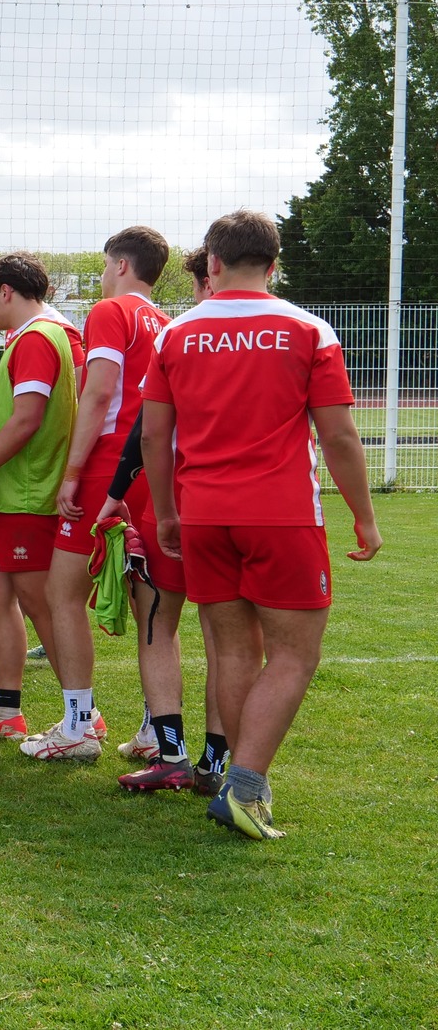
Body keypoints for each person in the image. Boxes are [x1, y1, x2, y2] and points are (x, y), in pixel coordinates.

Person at [141, 210, 380, 839]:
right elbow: (338, 435)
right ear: (275, 266)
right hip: (282, 515)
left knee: (235, 651)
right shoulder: (308, 329)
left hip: (203, 515)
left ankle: (245, 781)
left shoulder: (176, 334)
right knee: (296, 655)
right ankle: (245, 786)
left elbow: (154, 436)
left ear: (212, 264)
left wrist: (167, 513)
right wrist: (364, 515)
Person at [0, 253, 91, 758]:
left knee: (42, 605)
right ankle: (7, 711)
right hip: (9, 495)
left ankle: (83, 717)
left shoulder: (36, 337)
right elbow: (7, 402)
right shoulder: (31, 338)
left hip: (28, 494)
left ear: (5, 291)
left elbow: (26, 420)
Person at [45, 228, 177, 774]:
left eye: (103, 265)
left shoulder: (111, 310)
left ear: (121, 264)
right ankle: (154, 727)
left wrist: (73, 472)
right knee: (154, 612)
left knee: (61, 592)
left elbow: (98, 392)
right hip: (153, 468)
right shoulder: (167, 321)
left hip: (108, 464)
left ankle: (78, 723)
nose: (102, 274)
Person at [100, 246, 225, 793]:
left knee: (157, 624)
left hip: (171, 500)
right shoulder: (295, 327)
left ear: (204, 277)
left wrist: (112, 492)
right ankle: (216, 764)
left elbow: (148, 429)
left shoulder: (178, 332)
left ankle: (169, 753)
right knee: (230, 641)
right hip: (252, 508)